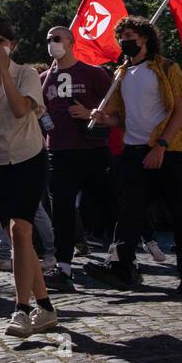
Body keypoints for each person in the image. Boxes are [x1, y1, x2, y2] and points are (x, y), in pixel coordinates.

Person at [87, 18, 182, 295]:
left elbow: (180, 111)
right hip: (134, 150)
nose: (124, 40)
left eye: (129, 35)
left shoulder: (166, 67)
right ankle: (121, 267)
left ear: (145, 38)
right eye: (121, 36)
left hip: (169, 150)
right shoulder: (121, 73)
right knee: (128, 212)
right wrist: (103, 118)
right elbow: (120, 117)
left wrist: (161, 145)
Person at [0, 18, 58, 337]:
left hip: (29, 159)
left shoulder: (26, 74)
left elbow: (20, 110)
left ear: (12, 45)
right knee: (19, 237)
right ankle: (45, 307)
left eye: (1, 41)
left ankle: (21, 309)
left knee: (20, 230)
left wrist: (4, 72)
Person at [40, 25, 114, 291]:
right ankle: (63, 267)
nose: (52, 43)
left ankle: (120, 259)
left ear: (71, 42)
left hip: (92, 149)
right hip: (59, 152)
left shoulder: (93, 73)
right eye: (48, 40)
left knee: (105, 206)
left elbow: (116, 110)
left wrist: (92, 114)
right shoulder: (44, 79)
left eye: (57, 38)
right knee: (61, 211)